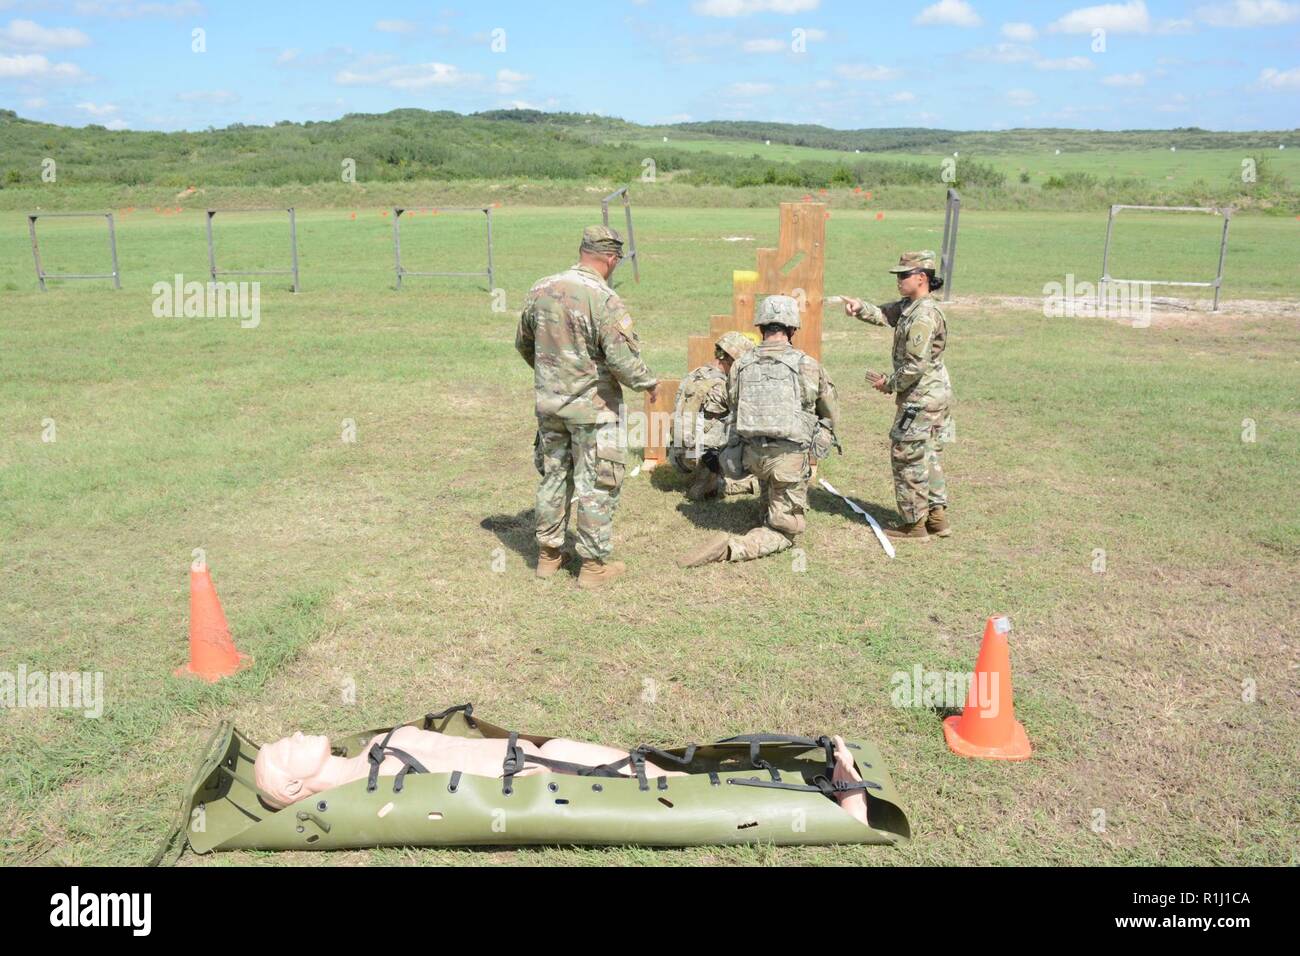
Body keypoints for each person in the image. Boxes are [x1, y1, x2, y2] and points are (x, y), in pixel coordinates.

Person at [254, 727, 873, 826]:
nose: (287, 737)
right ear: (291, 790)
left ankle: (799, 776)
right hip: (543, 778)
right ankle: (839, 805)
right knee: (662, 784)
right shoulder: (365, 795)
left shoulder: (371, 750)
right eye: (281, 752)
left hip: (538, 753)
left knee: (659, 764)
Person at [516, 226, 659, 588]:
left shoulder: (540, 288)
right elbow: (622, 361)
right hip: (594, 411)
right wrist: (649, 383)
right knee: (597, 483)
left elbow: (524, 343)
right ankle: (593, 567)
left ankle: (548, 557)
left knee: (554, 476)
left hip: (550, 406)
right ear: (610, 259)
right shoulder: (604, 298)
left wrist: (553, 376)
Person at [678, 295, 839, 567]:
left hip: (752, 457)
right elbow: (830, 411)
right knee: (786, 530)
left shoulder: (741, 364)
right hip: (786, 461)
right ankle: (732, 548)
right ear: (792, 329)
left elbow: (734, 404)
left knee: (769, 497)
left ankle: (767, 510)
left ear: (761, 328)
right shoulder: (807, 364)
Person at [841, 250, 953, 542]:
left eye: (903, 276)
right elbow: (883, 314)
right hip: (932, 395)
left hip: (920, 399)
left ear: (921, 278)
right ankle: (937, 518)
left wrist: (889, 383)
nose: (899, 281)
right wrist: (859, 307)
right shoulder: (911, 306)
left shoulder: (924, 315)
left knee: (905, 454)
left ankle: (914, 524)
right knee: (928, 453)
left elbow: (916, 365)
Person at [668, 331, 760, 501]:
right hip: (700, 456)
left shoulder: (695, 374)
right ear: (732, 359)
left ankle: (708, 475)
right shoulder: (721, 387)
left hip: (677, 453)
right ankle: (715, 482)